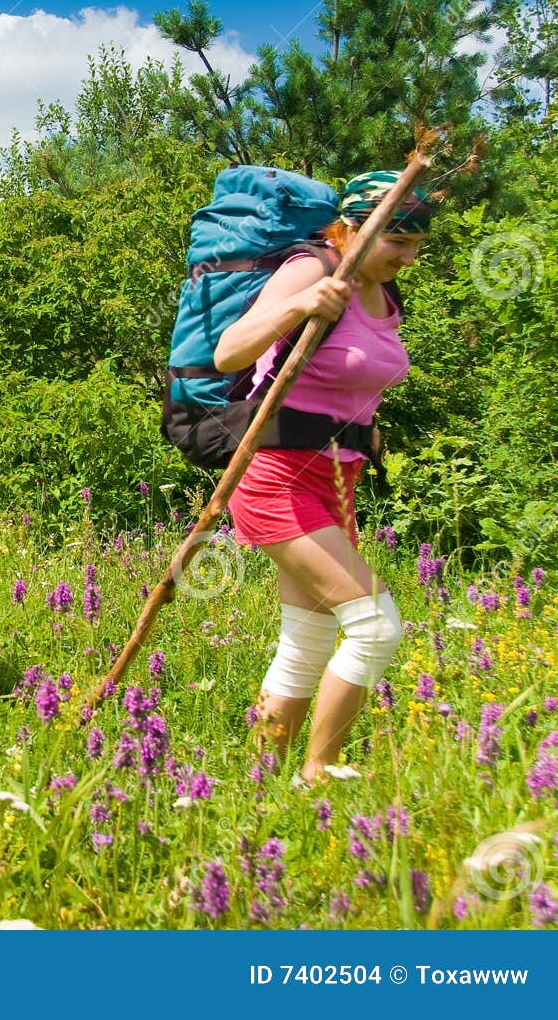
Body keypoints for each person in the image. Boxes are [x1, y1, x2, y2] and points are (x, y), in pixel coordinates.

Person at [214, 170, 434, 787]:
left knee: (307, 639)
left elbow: (352, 377)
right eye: (397, 241)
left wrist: (364, 431)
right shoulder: (314, 269)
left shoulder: (383, 294)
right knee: (376, 626)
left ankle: (261, 784)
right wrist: (298, 304)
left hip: (339, 480)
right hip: (277, 475)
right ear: (353, 227)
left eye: (416, 244)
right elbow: (230, 351)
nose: (408, 258)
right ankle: (318, 774)